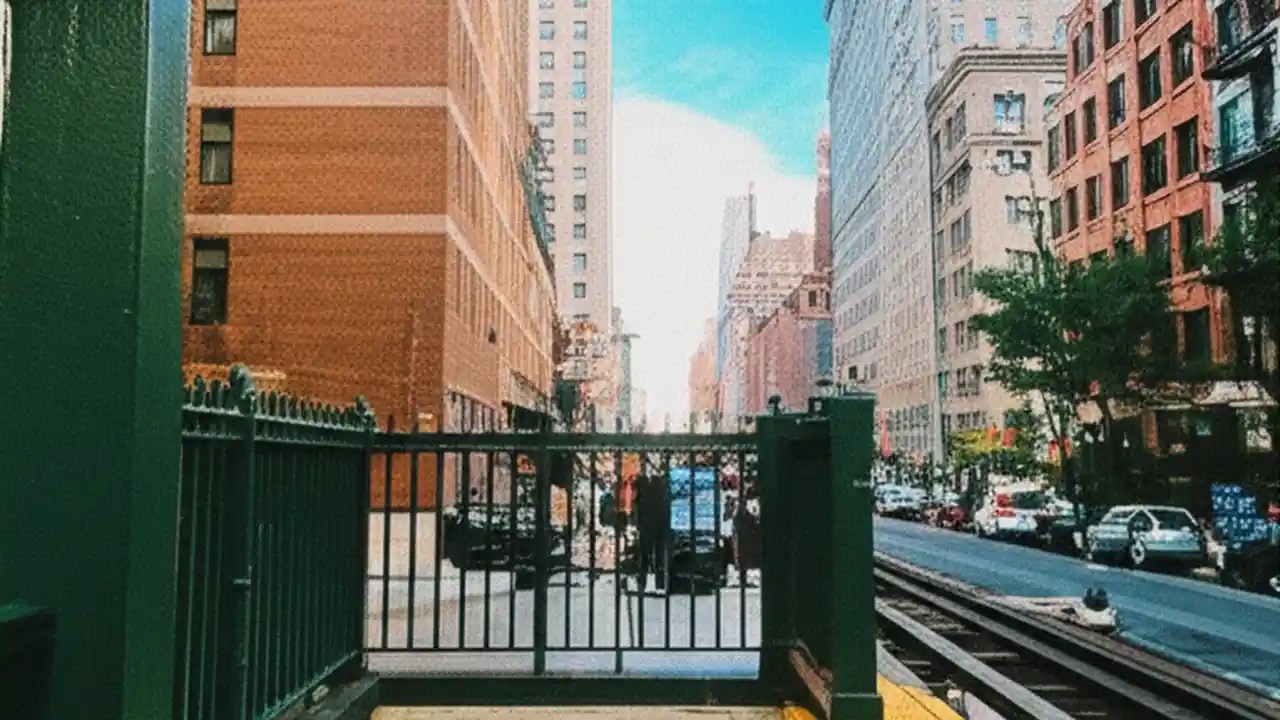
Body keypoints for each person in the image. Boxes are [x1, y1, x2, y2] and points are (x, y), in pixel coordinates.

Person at [634, 470, 669, 593]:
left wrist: (638, 525)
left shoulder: (642, 496)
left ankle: (642, 583)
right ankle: (660, 585)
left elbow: (639, 512)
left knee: (644, 557)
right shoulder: (662, 496)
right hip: (660, 528)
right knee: (659, 557)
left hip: (646, 528)